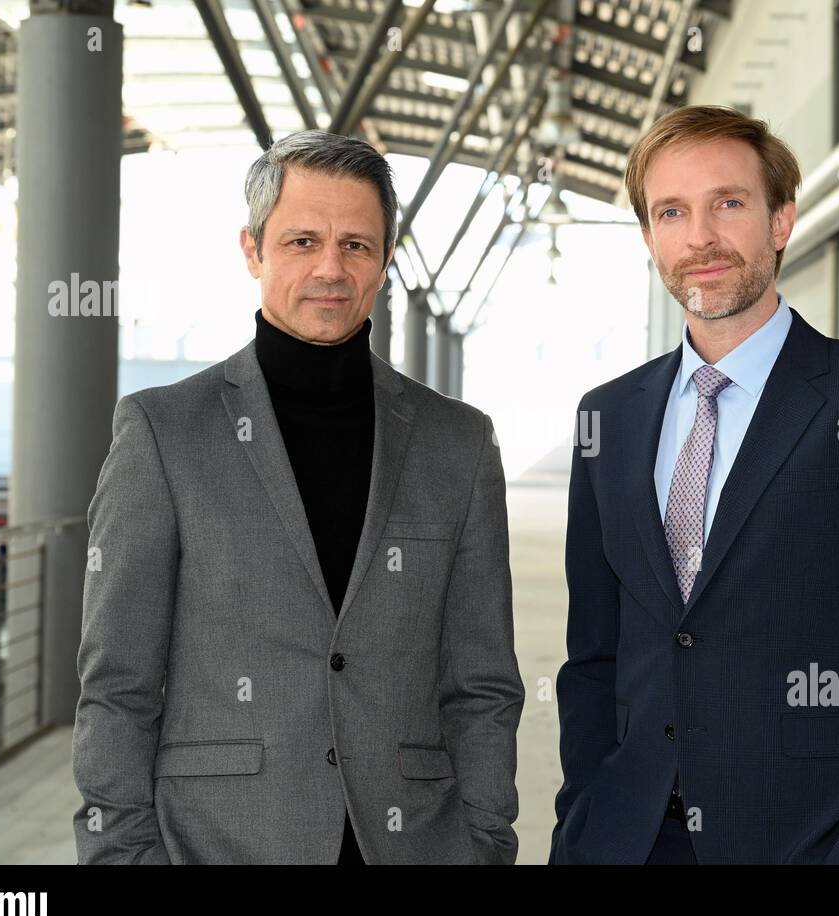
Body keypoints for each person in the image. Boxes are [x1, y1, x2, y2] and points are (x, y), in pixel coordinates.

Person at [72, 130, 523, 864]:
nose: (330, 268)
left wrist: (483, 842)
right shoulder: (164, 433)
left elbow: (483, 686)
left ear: (384, 258)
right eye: (303, 240)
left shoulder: (459, 443)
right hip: (219, 844)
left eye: (356, 244)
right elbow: (118, 684)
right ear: (252, 251)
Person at [550, 105, 839, 864]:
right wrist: (583, 812)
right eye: (672, 211)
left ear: (781, 220)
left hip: (802, 837)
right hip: (627, 833)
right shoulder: (606, 417)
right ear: (649, 240)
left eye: (728, 204)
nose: (700, 237)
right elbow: (593, 657)